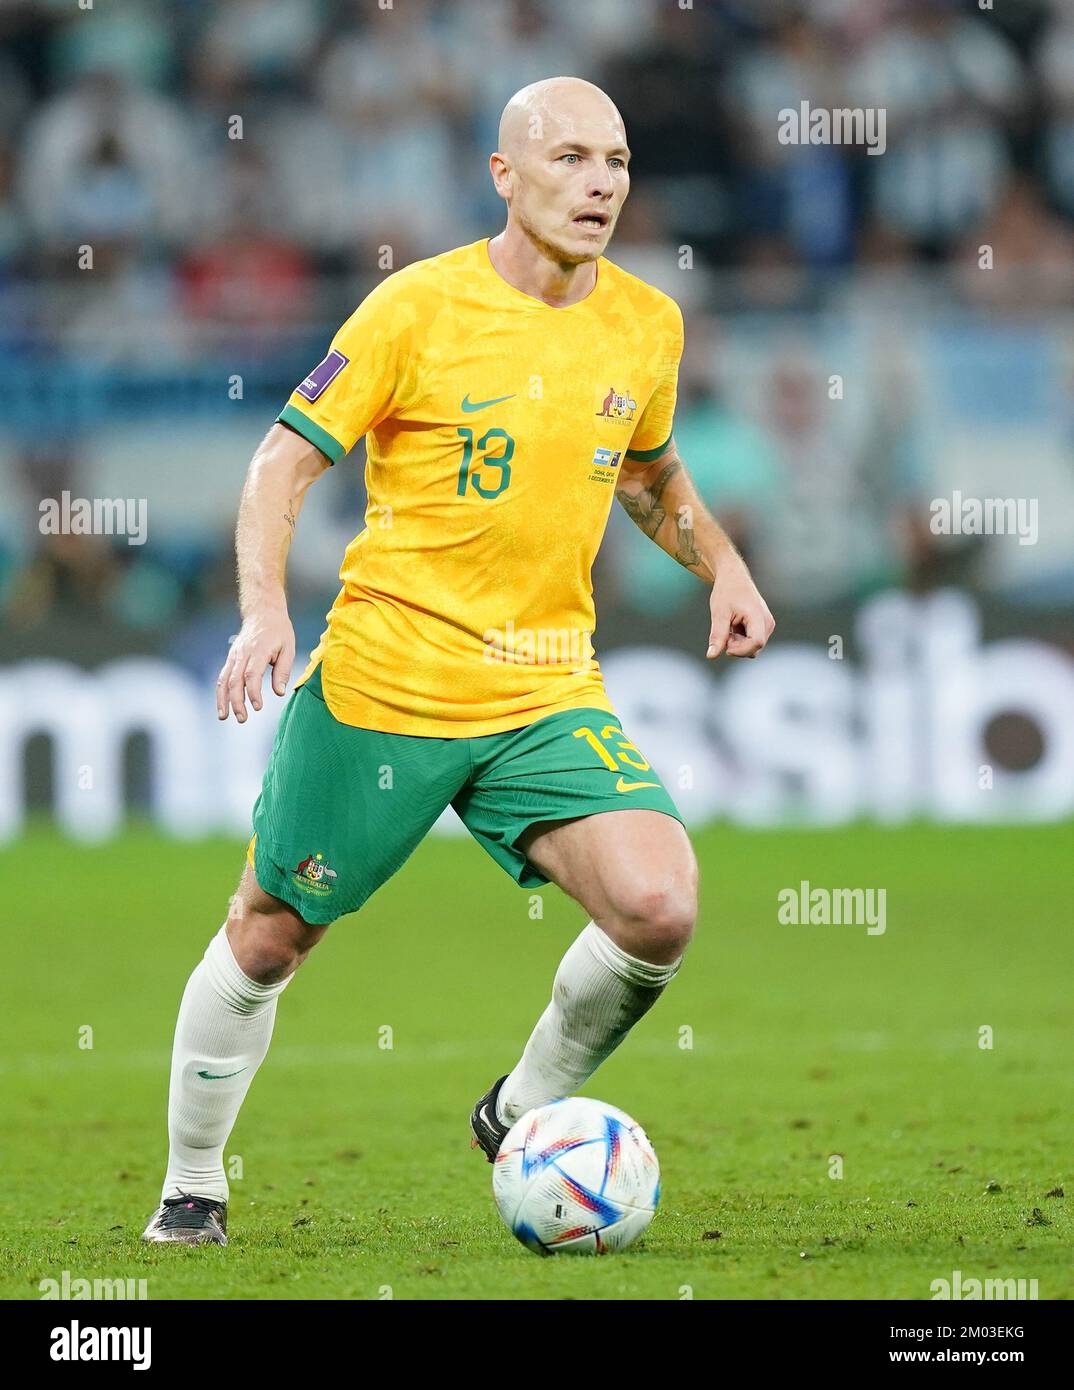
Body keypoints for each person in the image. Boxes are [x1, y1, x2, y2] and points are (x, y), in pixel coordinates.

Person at [143, 76, 774, 1247]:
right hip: (390, 679)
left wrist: (721, 566)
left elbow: (645, 473)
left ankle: (520, 1111)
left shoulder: (646, 321)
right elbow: (282, 464)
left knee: (659, 904)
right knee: (271, 932)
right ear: (505, 174)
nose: (600, 184)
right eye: (573, 158)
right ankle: (194, 1181)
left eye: (618, 162)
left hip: (543, 685)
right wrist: (263, 610)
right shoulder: (413, 310)